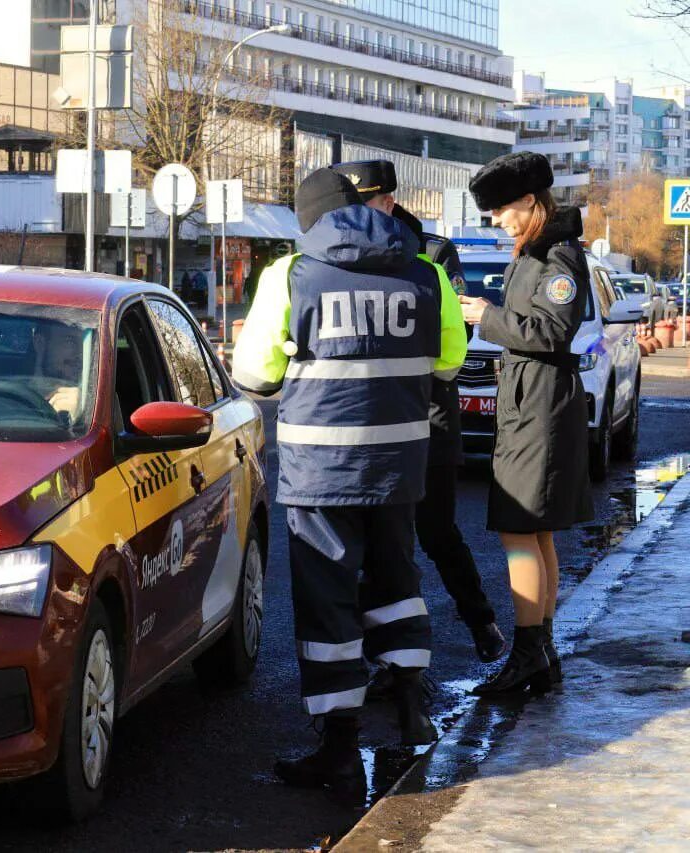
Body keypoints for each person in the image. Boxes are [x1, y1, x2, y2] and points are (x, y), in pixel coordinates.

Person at [232, 169, 467, 802]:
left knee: (328, 600)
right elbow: (449, 361)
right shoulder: (426, 271)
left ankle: (338, 747)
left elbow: (254, 374)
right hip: (398, 465)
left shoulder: (289, 275)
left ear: (309, 219)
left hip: (321, 472)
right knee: (397, 580)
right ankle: (412, 705)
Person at [334, 160, 508, 667]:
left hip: (428, 418)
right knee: (381, 543)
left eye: (362, 204)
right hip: (367, 420)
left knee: (436, 532)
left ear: (387, 201)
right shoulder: (339, 254)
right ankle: (389, 657)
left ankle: (481, 622)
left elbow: (457, 338)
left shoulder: (431, 252)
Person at [458, 151, 593, 695]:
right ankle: (541, 650)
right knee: (533, 530)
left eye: (500, 209)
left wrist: (483, 316)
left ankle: (529, 651)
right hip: (531, 398)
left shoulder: (555, 256)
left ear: (531, 203)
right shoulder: (536, 251)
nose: (495, 219)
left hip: (538, 402)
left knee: (518, 528)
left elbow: (550, 331)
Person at [32, 322, 86, 420]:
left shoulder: (98, 401)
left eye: (85, 344)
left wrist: (82, 419)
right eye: (70, 341)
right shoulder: (7, 397)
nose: (81, 354)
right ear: (40, 343)